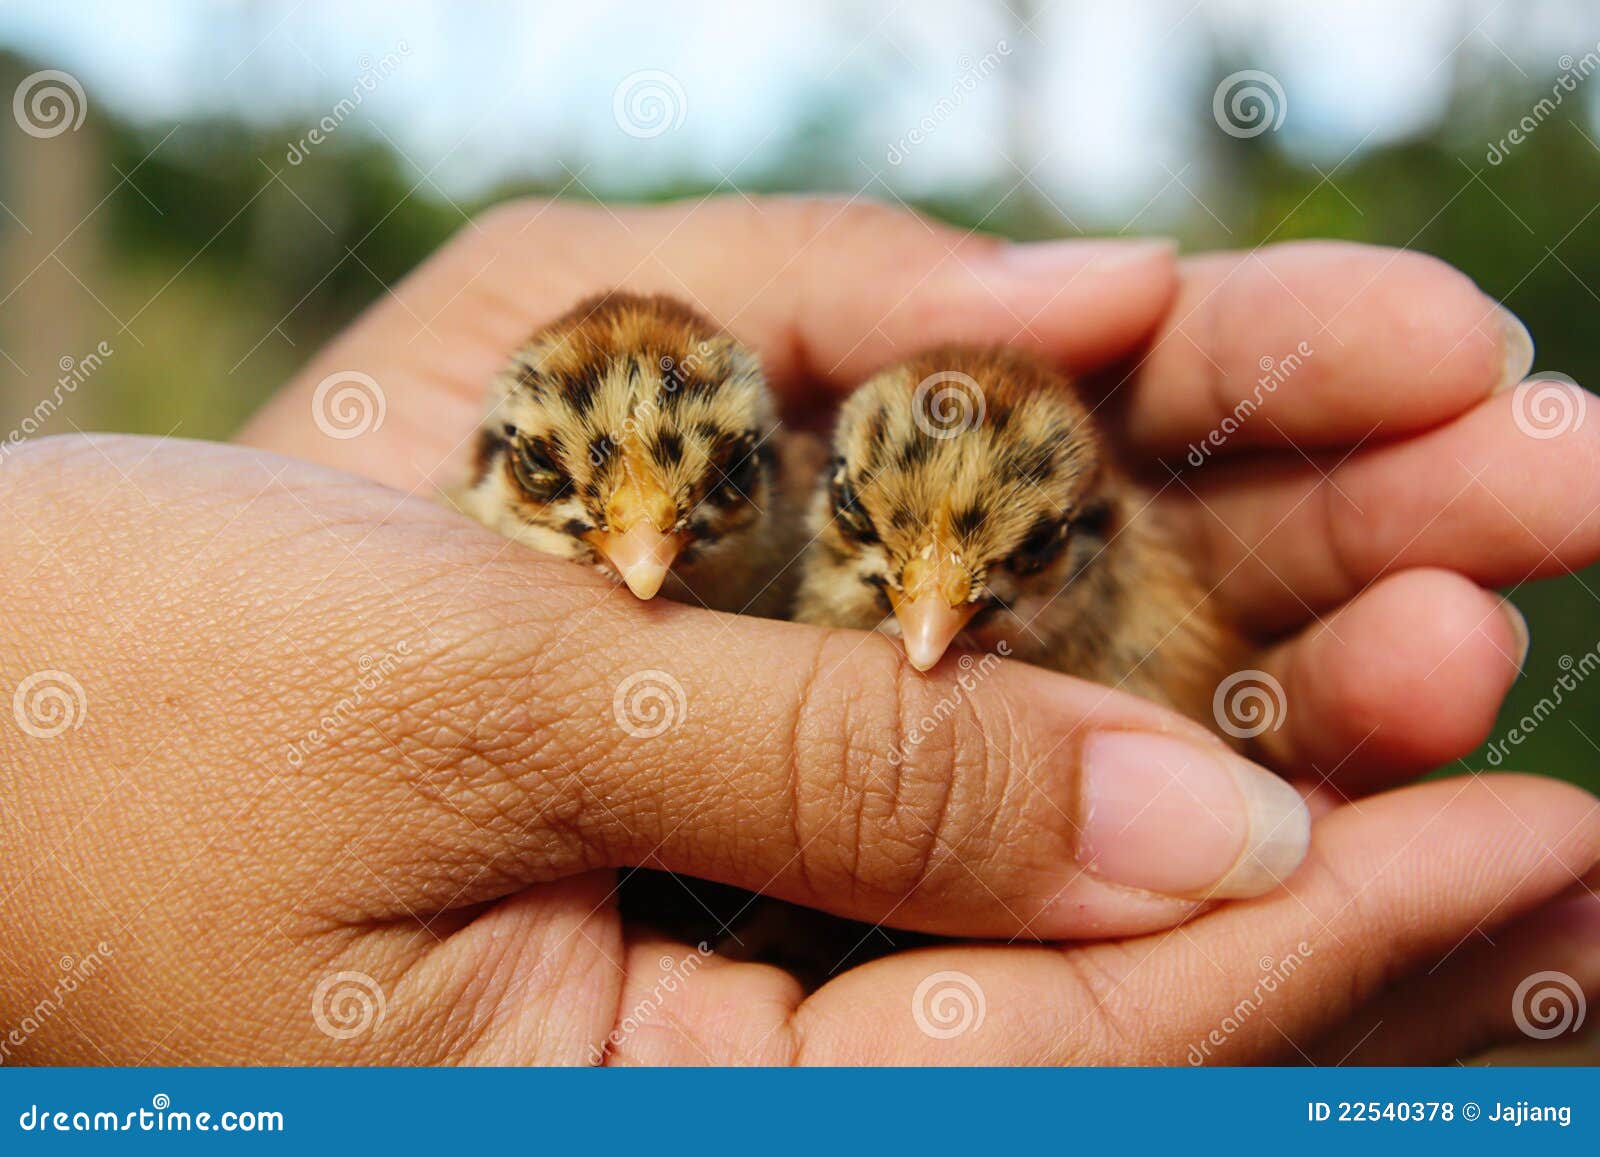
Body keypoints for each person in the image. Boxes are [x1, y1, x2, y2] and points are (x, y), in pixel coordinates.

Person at [2, 197, 1595, 1065]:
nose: (642, 564)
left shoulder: (962, 568)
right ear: (484, 468)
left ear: (778, 476)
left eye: (709, 499)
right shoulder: (430, 566)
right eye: (563, 492)